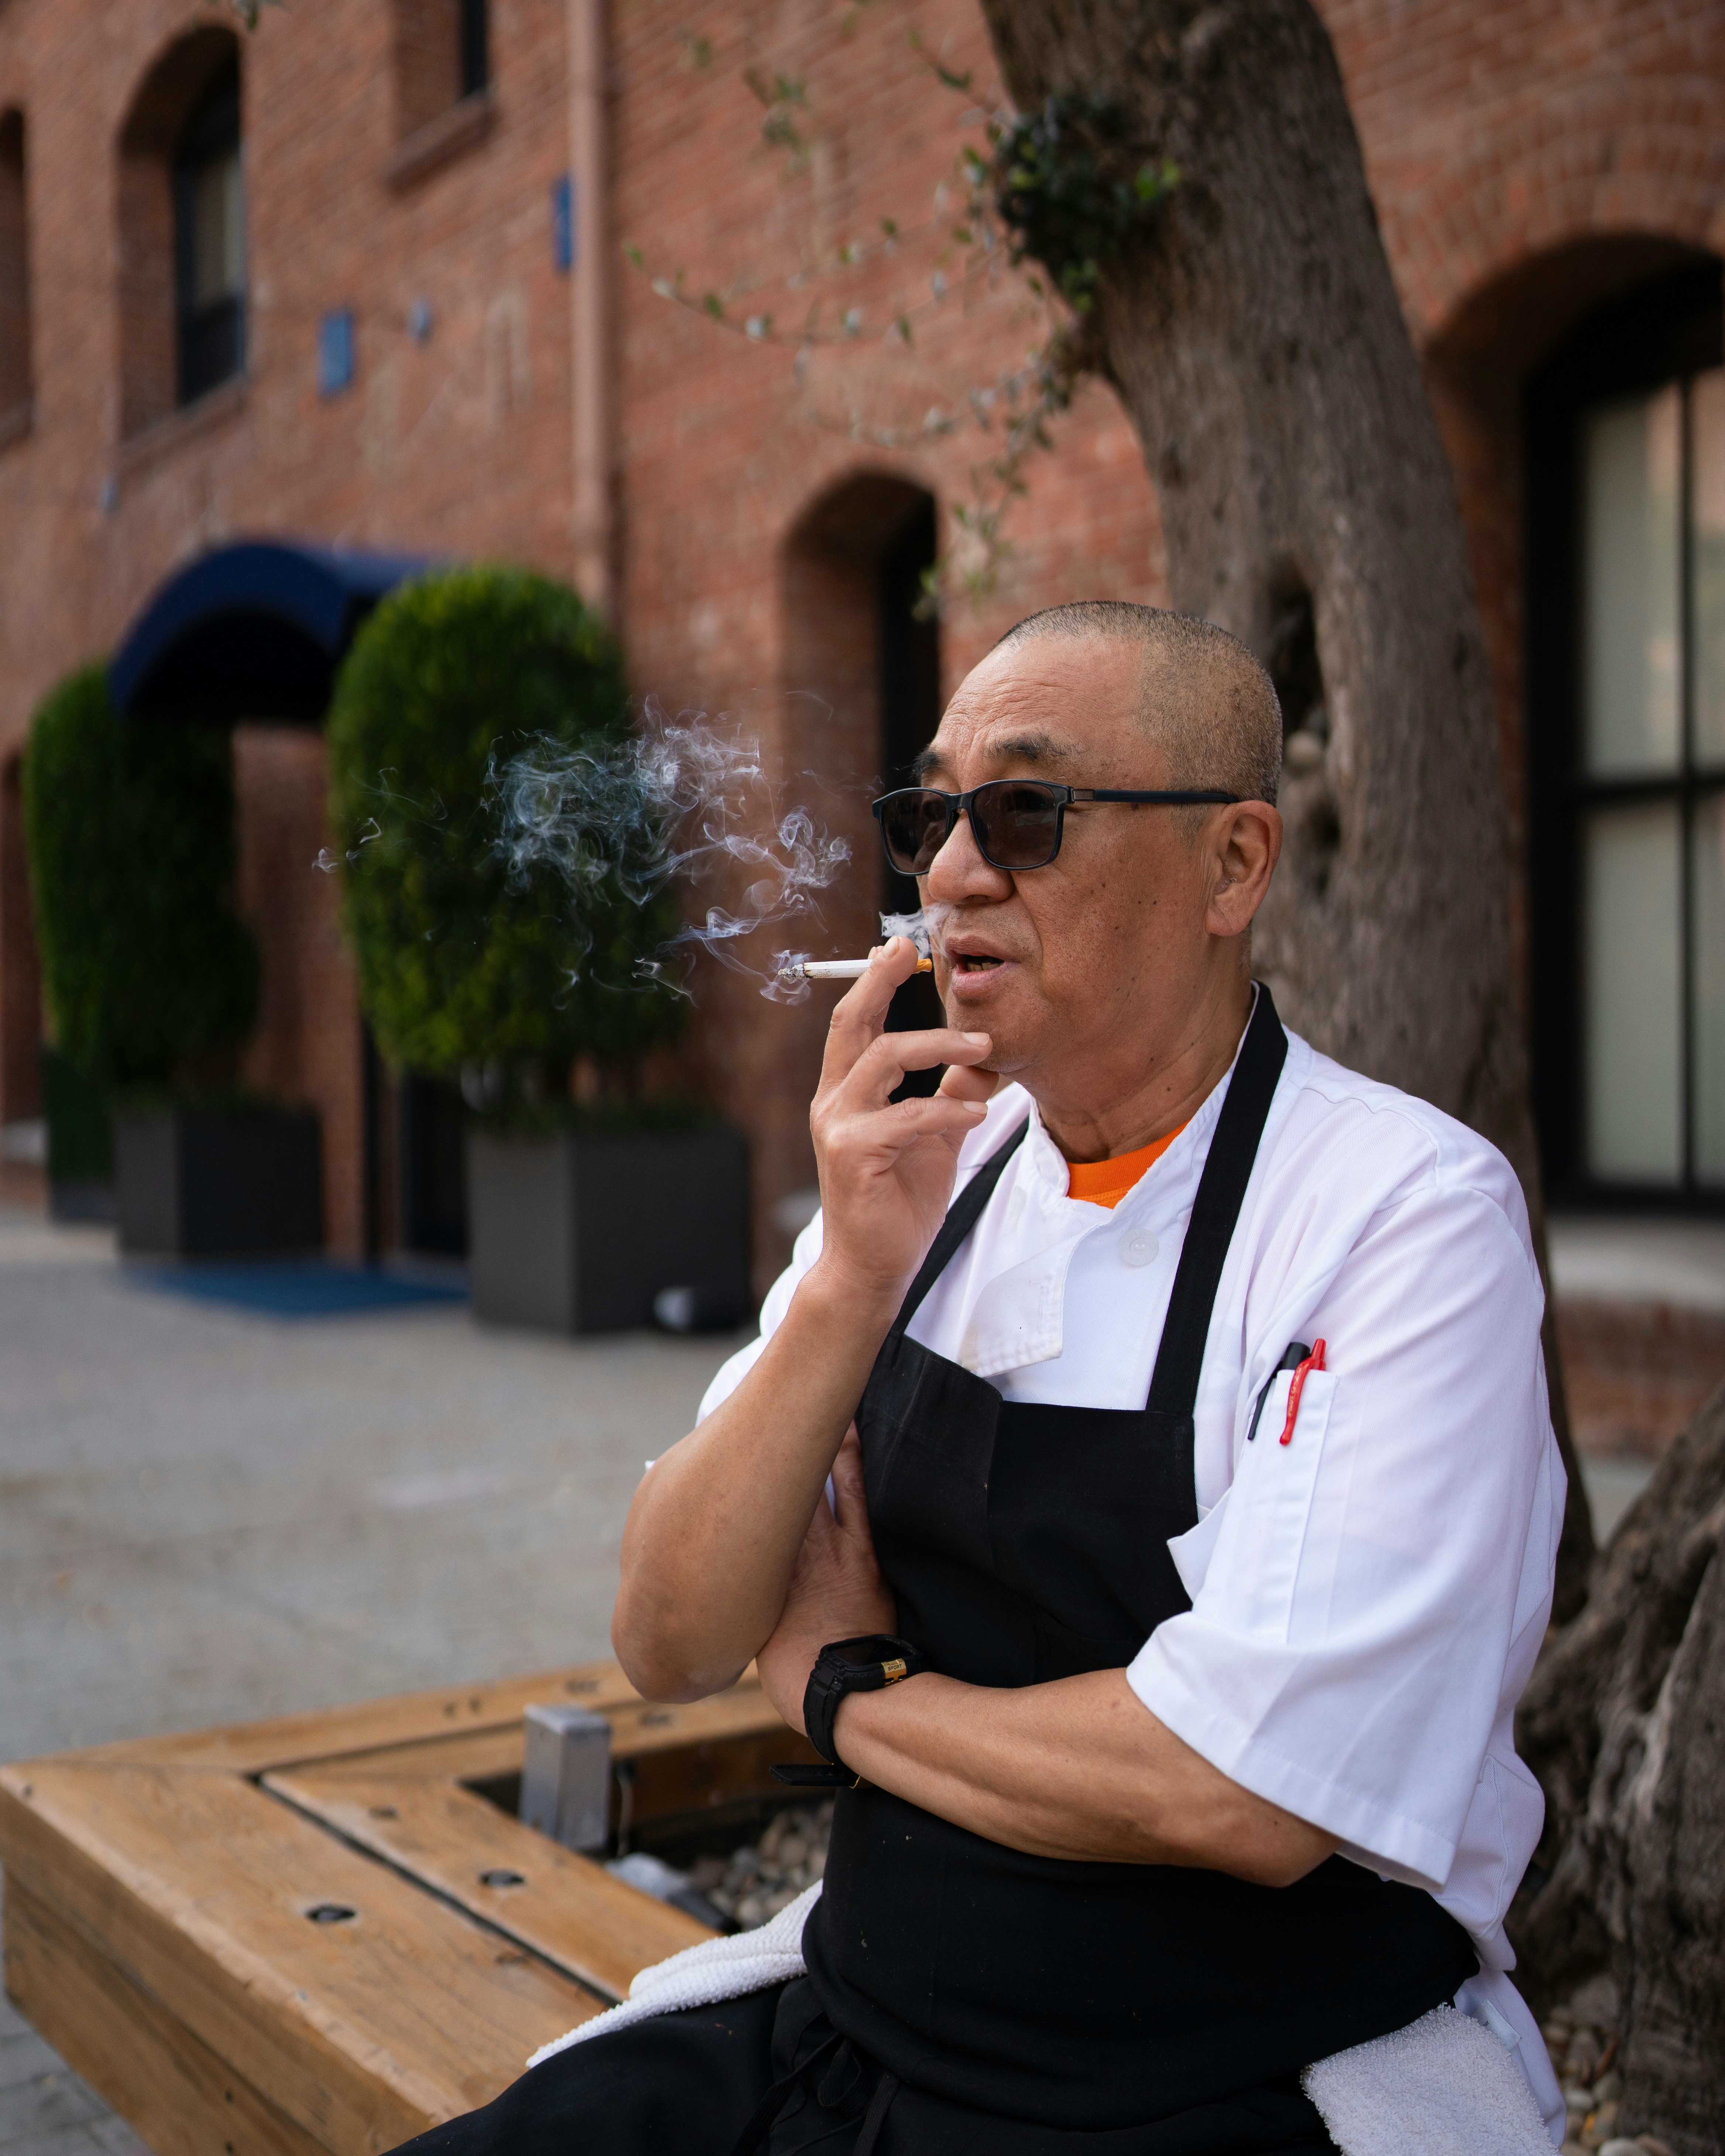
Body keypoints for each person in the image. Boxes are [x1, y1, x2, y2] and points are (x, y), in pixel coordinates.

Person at [399, 602, 1566, 2154]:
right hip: (860, 2021)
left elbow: (1245, 1788)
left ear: (1233, 865)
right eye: (930, 814)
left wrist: (846, 1688)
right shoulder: (933, 1180)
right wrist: (846, 1286)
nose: (951, 870)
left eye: (1025, 811)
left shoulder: (1400, 1214)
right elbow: (669, 1631)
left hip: (1213, 2087)